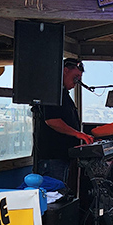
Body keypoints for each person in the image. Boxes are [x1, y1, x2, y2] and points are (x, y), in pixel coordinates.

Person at [33, 58, 94, 186]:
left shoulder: (63, 94)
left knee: (59, 193)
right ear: (65, 71)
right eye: (76, 76)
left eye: (79, 77)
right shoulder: (52, 93)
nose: (78, 81)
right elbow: (52, 120)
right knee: (52, 196)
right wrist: (78, 134)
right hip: (52, 157)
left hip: (60, 157)